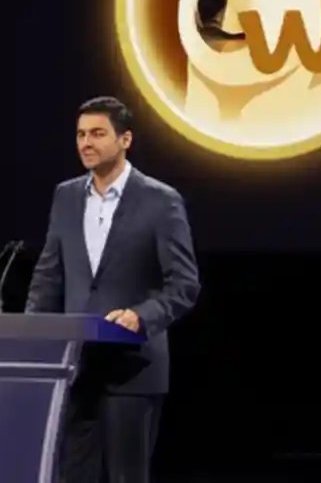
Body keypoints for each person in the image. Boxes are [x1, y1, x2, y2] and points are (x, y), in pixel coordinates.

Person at [24, 95, 201, 483]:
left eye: (98, 133)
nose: (86, 143)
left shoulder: (161, 200)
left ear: (125, 139)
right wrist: (32, 336)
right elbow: (49, 275)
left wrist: (141, 316)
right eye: (81, 134)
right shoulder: (66, 196)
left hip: (132, 369)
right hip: (75, 368)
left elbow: (185, 284)